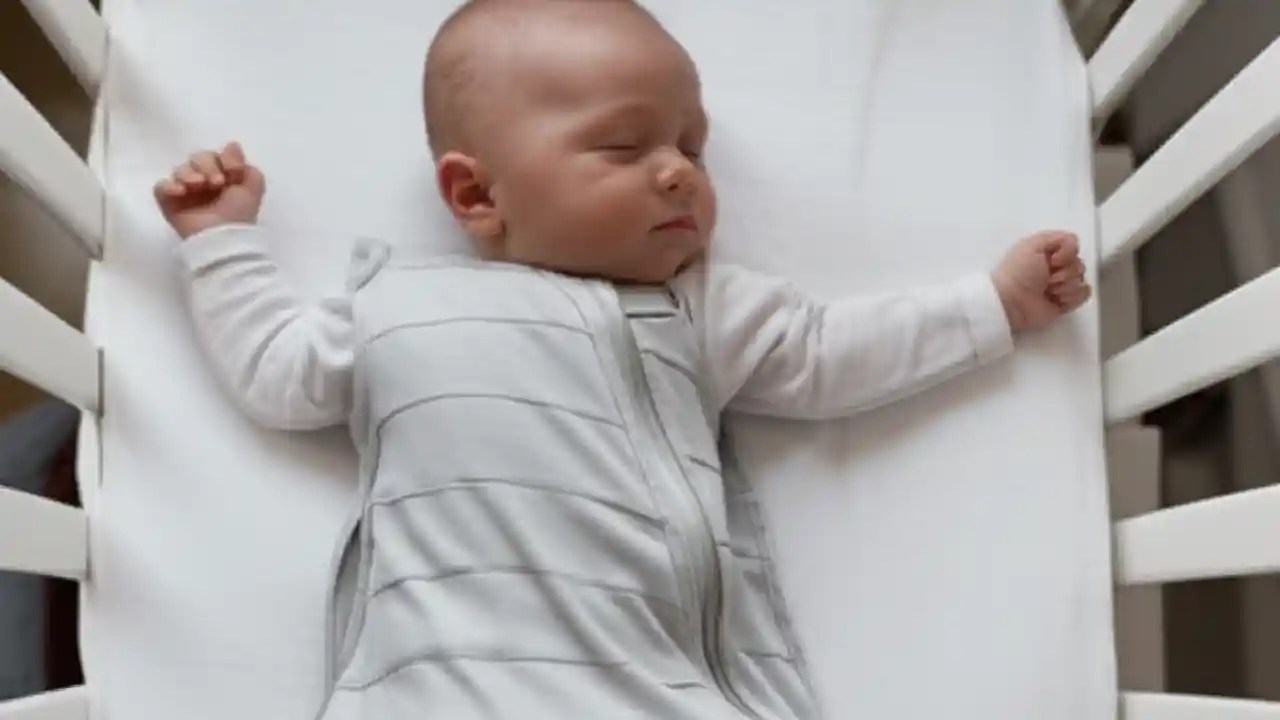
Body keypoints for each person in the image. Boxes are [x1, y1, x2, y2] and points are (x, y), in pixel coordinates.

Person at [154, 1, 1091, 717]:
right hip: (438, 687)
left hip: (656, 685)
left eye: (693, 146)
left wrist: (993, 306)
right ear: (476, 192)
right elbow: (277, 374)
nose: (681, 170)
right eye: (624, 145)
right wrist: (220, 244)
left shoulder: (698, 307)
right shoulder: (396, 306)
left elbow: (828, 355)